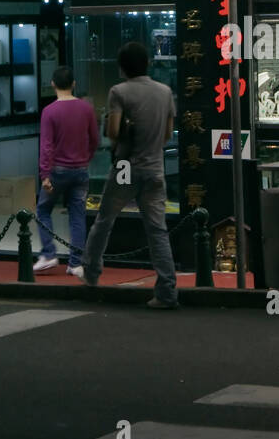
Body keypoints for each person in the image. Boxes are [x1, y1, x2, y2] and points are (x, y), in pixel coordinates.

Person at [78, 41, 178, 309]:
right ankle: (167, 291)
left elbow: (112, 131)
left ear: (122, 67)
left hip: (125, 166)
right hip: (155, 167)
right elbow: (168, 133)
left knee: (105, 220)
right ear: (147, 64)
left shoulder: (118, 91)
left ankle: (91, 273)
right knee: (157, 230)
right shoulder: (165, 92)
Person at [34, 67, 100, 276]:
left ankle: (48, 253)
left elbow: (46, 146)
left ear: (53, 84)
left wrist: (45, 175)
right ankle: (75, 263)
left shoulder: (49, 111)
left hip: (57, 171)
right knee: (77, 216)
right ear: (74, 84)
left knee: (43, 210)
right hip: (80, 170)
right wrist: (85, 159)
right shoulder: (86, 109)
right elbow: (95, 140)